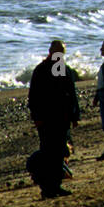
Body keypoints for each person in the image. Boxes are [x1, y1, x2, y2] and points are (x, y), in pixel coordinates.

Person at [28, 40, 80, 198]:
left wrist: (74, 116)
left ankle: (54, 186)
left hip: (59, 118)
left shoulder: (58, 69)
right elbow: (34, 97)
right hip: (48, 119)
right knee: (50, 153)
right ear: (51, 52)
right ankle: (49, 187)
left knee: (58, 153)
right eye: (57, 51)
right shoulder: (43, 70)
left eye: (61, 52)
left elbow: (71, 94)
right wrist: (36, 117)